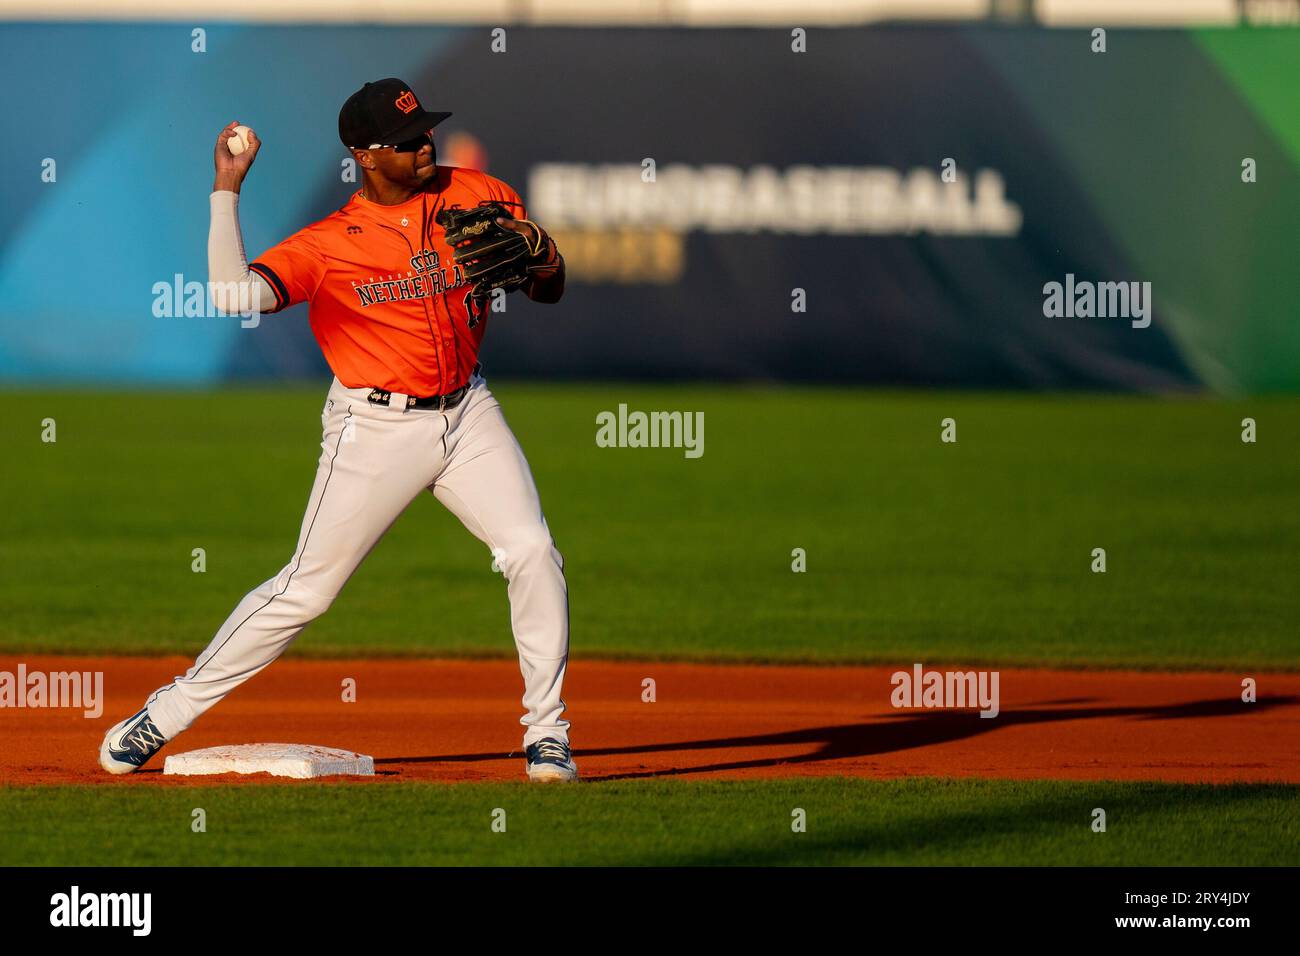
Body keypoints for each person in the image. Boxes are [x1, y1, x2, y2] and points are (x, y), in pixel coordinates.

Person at [99, 78, 577, 782]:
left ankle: (547, 736)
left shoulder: (480, 193)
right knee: (305, 591)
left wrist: (543, 254)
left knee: (533, 551)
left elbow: (549, 286)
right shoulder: (330, 245)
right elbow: (234, 295)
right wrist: (226, 189)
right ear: (364, 155)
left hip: (468, 411)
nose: (425, 147)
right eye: (407, 141)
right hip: (373, 428)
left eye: (427, 132)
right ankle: (163, 715)